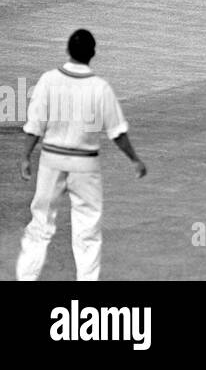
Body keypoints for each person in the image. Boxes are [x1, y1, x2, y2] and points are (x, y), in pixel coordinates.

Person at [15, 29, 146, 282]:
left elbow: (35, 125)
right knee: (87, 228)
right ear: (93, 54)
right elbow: (117, 133)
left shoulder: (49, 80)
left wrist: (25, 157)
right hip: (85, 165)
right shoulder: (100, 87)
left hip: (51, 160)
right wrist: (134, 159)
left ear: (68, 50)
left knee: (40, 224)